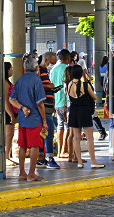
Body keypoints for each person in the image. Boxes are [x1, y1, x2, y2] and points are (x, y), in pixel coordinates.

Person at [10, 53, 54, 181]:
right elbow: (40, 104)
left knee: (23, 146)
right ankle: (31, 174)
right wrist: (44, 121)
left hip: (23, 119)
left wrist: (22, 108)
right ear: (37, 69)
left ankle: (22, 173)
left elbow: (12, 99)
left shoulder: (20, 80)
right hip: (35, 119)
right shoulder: (36, 80)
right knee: (35, 145)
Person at [65, 64, 104, 169]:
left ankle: (79, 162)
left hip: (73, 111)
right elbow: (94, 97)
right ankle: (93, 161)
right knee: (90, 137)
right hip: (84, 111)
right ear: (81, 73)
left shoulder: (68, 85)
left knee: (76, 138)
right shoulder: (85, 85)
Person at [50, 49, 71, 159]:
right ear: (67, 58)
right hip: (64, 101)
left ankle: (59, 152)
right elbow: (68, 87)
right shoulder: (67, 69)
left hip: (55, 101)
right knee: (68, 126)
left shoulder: (53, 69)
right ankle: (64, 150)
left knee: (59, 125)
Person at [4, 62, 18, 166]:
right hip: (8, 112)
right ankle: (6, 157)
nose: (12, 70)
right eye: (11, 68)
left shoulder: (8, 82)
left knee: (10, 134)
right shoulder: (5, 83)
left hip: (12, 111)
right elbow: (5, 101)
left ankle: (8, 156)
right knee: (8, 135)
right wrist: (10, 114)